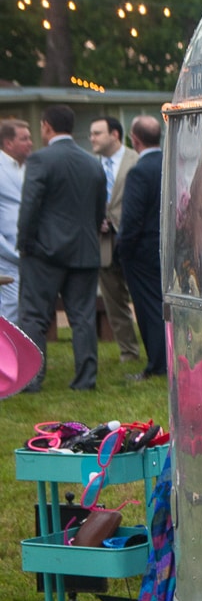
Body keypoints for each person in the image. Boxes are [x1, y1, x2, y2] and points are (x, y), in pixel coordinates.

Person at [16, 104, 106, 392]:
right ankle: (86, 379)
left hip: (44, 252)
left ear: (46, 126)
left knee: (35, 316)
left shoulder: (40, 160)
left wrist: (25, 243)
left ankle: (32, 379)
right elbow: (98, 209)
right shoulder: (93, 162)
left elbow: (30, 207)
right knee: (82, 318)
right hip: (84, 250)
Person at [88, 115, 142, 364]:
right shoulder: (91, 165)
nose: (92, 138)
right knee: (113, 301)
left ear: (115, 135)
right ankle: (128, 353)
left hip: (135, 241)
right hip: (104, 242)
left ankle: (160, 348)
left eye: (97, 133)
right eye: (91, 133)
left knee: (143, 297)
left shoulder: (136, 160)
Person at [117, 116, 166, 379]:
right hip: (167, 248)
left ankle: (157, 364)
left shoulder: (138, 171)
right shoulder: (170, 165)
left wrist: (123, 250)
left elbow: (132, 218)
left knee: (149, 308)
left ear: (134, 140)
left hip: (142, 251)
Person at [0, 119, 30, 324]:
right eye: (24, 139)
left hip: (33, 253)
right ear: (8, 143)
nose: (30, 143)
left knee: (28, 311)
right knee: (10, 309)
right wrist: (9, 251)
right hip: (6, 253)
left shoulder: (32, 167)